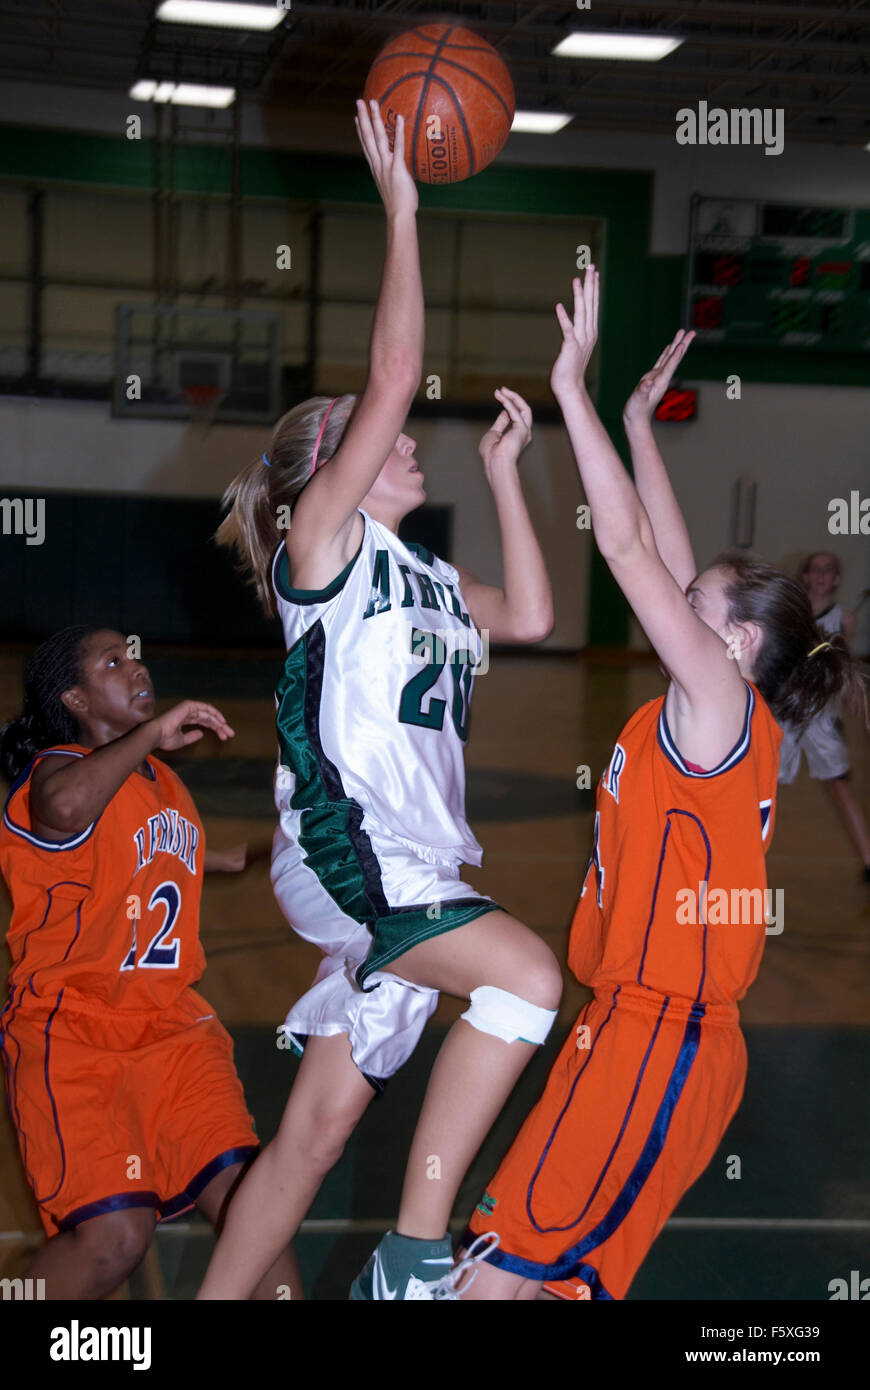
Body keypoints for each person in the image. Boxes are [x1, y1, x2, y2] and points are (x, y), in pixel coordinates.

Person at [197, 99, 561, 1302]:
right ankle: (411, 1258)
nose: (405, 437)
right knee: (528, 980)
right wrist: (402, 209)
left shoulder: (429, 576)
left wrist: (509, 474)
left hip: (417, 865)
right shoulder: (324, 543)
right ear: (328, 473)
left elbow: (536, 621)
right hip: (356, 855)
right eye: (373, 434)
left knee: (312, 1134)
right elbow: (397, 370)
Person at [458, 272, 866, 1300]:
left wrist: (575, 394)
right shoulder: (732, 711)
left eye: (694, 610)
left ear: (732, 642)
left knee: (492, 1282)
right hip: (640, 1032)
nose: (668, 614)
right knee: (556, 1288)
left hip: (659, 1039)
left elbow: (635, 546)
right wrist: (641, 425)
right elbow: (670, 554)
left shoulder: (722, 709)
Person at [0, 625, 302, 1299]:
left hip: (172, 1032)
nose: (137, 668)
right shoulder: (52, 771)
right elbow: (68, 807)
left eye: (135, 656)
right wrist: (152, 734)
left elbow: (186, 859)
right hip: (74, 1033)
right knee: (116, 1242)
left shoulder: (160, 781)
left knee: (255, 1208)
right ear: (75, 698)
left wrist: (266, 849)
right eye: (114, 661)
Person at [778, 551, 870, 883]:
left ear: (837, 579)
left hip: (822, 717)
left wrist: (851, 690)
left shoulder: (843, 618)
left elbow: (844, 666)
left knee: (840, 787)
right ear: (804, 576)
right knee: (761, 787)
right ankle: (740, 853)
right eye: (814, 569)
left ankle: (869, 861)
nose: (820, 575)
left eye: (827, 570)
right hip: (786, 712)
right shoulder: (791, 615)